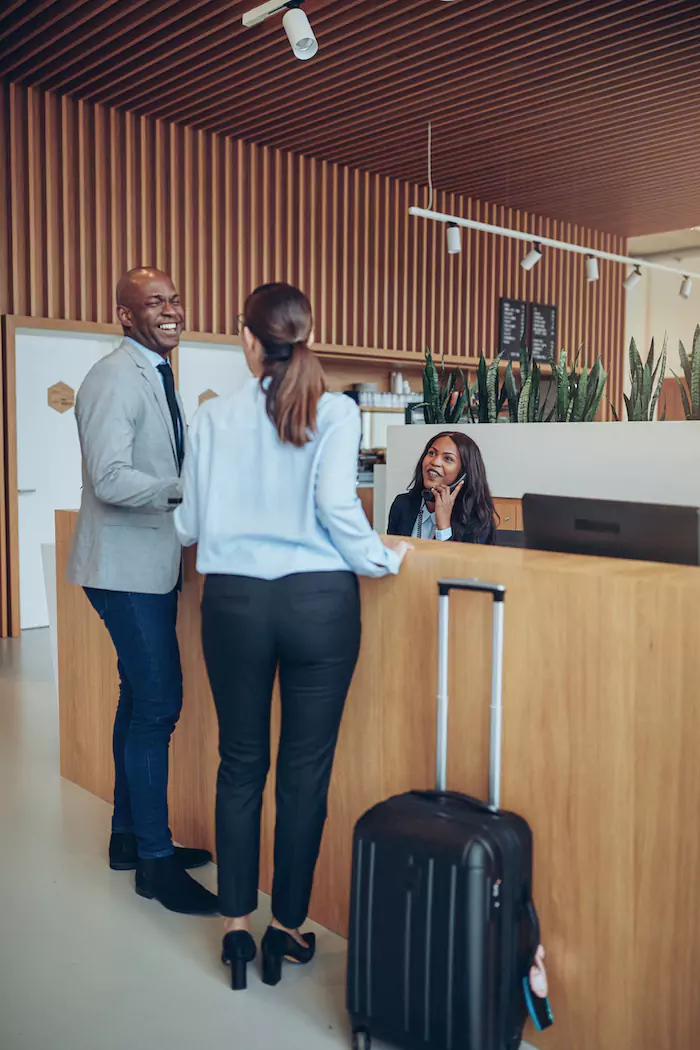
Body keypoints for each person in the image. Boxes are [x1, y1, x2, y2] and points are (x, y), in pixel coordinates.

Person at [175, 282, 411, 990]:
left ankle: (237, 930)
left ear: (248, 340)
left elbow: (186, 527)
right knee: (305, 773)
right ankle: (289, 929)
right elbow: (338, 507)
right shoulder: (334, 410)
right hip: (318, 605)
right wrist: (381, 558)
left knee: (240, 763)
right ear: (307, 335)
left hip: (236, 606)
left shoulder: (212, 417)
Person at [67, 266, 217, 917]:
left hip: (147, 567)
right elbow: (109, 478)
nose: (169, 309)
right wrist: (188, 489)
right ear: (125, 315)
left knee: (138, 701)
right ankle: (155, 863)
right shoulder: (111, 377)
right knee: (159, 706)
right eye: (153, 302)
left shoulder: (157, 375)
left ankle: (128, 840)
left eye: (173, 298)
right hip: (122, 571)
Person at [388, 430, 497, 544]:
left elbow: (459, 562)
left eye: (448, 459)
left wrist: (443, 527)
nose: (435, 462)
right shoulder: (402, 504)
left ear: (463, 474)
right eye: (432, 453)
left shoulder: (477, 519)